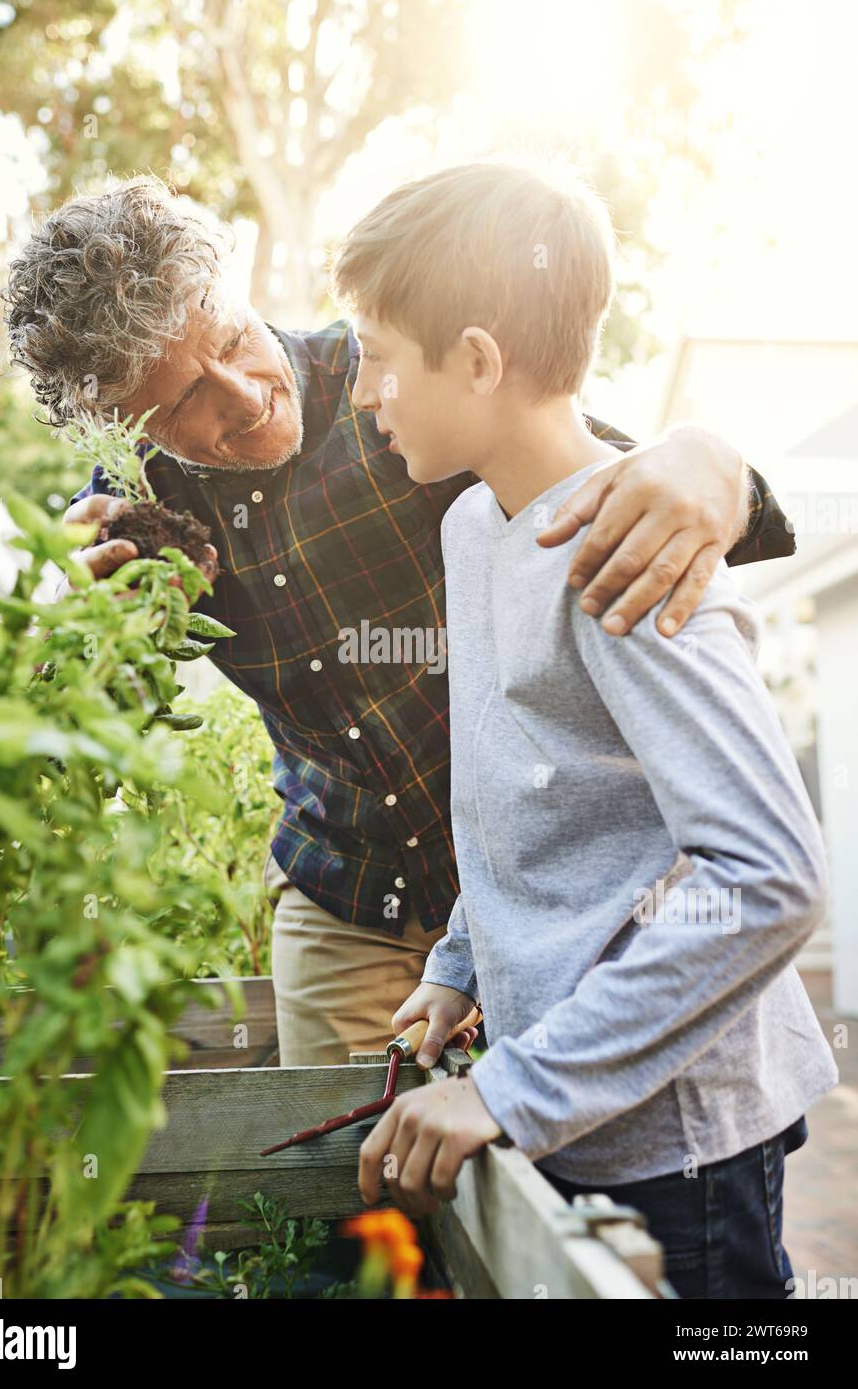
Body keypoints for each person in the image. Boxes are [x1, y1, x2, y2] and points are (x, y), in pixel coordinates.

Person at [5, 175, 795, 1067]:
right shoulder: (133, 509)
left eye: (232, 338)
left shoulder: (403, 380)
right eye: (181, 401)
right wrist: (69, 629)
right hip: (344, 888)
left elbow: (609, 475)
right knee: (347, 1183)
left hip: (539, 882)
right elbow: (69, 704)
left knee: (549, 1157)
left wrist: (710, 463)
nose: (241, 395)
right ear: (123, 425)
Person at [341, 161, 838, 1299]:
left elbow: (769, 878)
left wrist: (509, 1092)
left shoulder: (628, 548)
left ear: (475, 359)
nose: (363, 390)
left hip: (682, 1147)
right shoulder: (474, 525)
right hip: (571, 1107)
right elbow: (519, 780)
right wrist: (462, 965)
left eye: (376, 352)